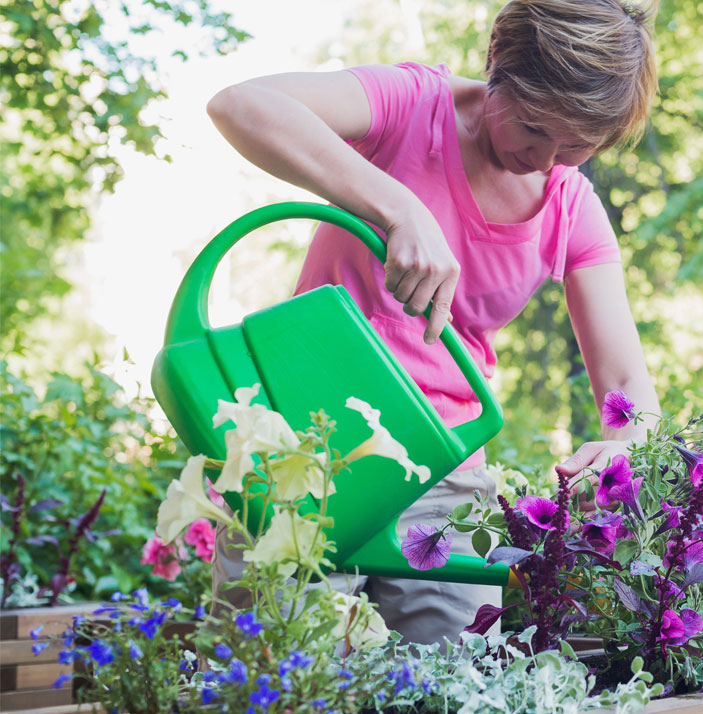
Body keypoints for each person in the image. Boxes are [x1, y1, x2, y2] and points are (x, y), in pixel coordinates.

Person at [204, 0, 662, 645]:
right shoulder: (411, 104)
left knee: (454, 696)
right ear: (499, 65)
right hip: (303, 448)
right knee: (268, 672)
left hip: (443, 474)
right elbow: (241, 105)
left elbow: (631, 396)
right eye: (532, 126)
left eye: (578, 144)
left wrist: (621, 449)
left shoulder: (570, 206)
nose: (547, 158)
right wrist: (398, 209)